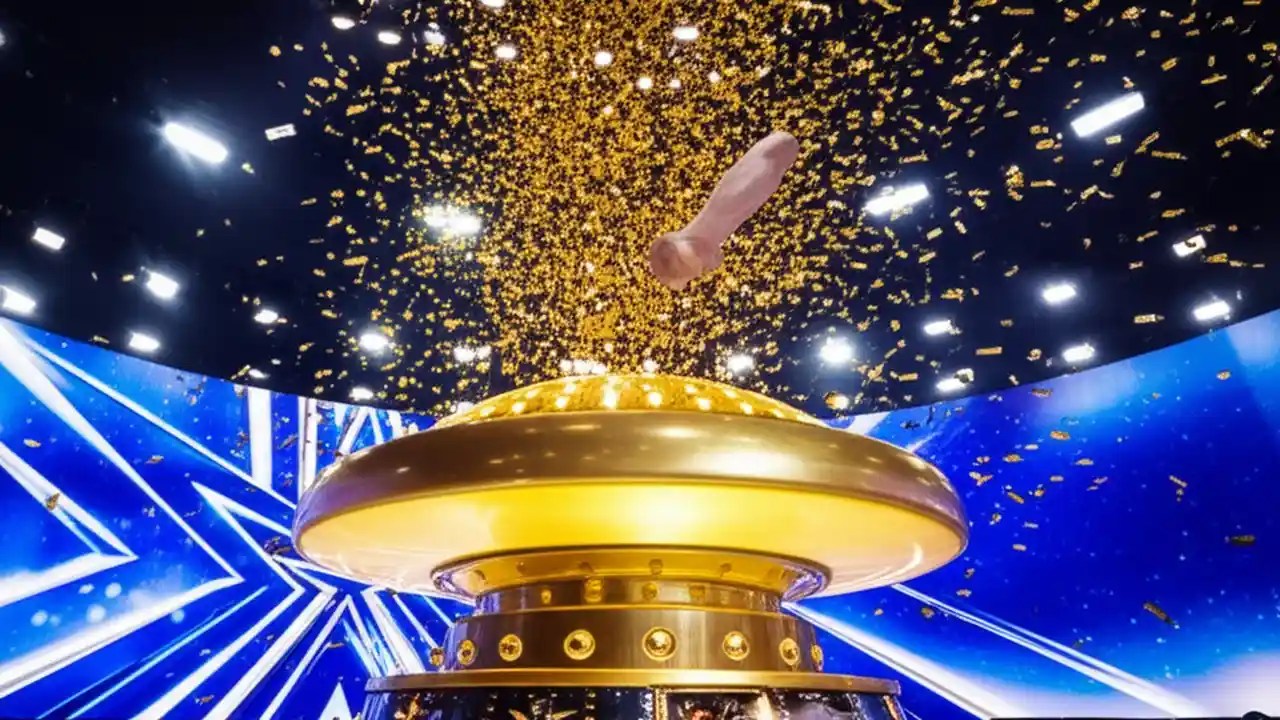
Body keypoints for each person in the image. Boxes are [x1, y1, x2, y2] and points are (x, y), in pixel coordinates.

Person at [648, 131, 801, 290]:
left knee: (753, 183)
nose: (700, 272)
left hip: (752, 179)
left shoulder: (694, 243)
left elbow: (711, 258)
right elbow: (710, 258)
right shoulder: (694, 242)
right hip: (752, 180)